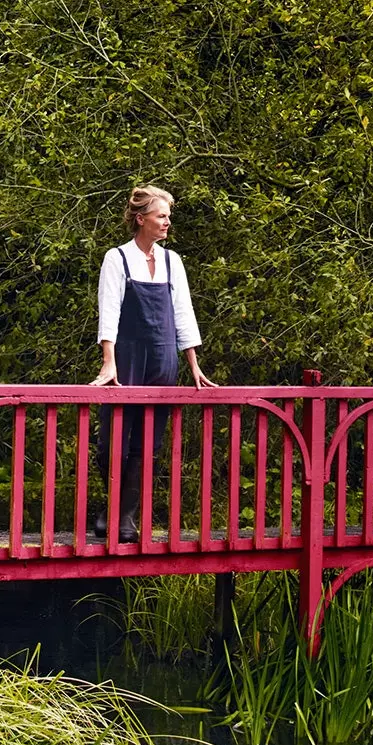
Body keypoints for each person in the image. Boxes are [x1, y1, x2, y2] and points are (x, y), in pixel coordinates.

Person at [90, 184, 212, 539]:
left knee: (148, 442)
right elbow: (108, 313)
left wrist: (194, 366)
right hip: (127, 357)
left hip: (163, 357)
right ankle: (112, 510)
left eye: (168, 217)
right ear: (141, 219)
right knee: (111, 441)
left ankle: (123, 519)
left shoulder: (173, 261)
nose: (167, 223)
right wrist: (108, 362)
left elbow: (183, 314)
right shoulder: (118, 258)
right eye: (161, 216)